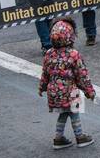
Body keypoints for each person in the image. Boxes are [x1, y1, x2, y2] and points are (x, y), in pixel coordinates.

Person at [38, 19, 96, 150]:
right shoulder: (73, 54)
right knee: (74, 113)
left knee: (63, 113)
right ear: (70, 36)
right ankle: (80, 136)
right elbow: (82, 75)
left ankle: (58, 138)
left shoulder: (49, 54)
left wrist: (42, 87)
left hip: (54, 92)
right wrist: (89, 91)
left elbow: (45, 74)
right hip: (70, 91)